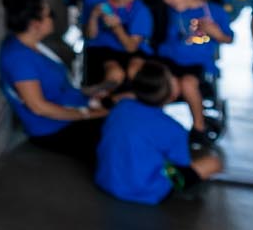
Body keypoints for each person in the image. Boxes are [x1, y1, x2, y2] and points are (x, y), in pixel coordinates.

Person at [95, 64, 226, 205]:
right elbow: (181, 166)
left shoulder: (121, 106)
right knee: (213, 163)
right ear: (172, 94)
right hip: (144, 192)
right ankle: (179, 192)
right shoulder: (174, 128)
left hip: (105, 180)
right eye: (172, 79)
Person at [0, 0, 107, 159]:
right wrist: (87, 114)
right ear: (36, 24)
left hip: (73, 108)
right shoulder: (18, 59)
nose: (53, 18)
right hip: (54, 128)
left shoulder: (32, 46)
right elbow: (38, 106)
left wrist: (91, 92)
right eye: (50, 15)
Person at [151, 0, 232, 118]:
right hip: (171, 60)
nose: (165, 0)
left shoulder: (215, 11)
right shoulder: (172, 12)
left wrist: (216, 32)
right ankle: (158, 123)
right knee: (167, 86)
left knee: (188, 84)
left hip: (198, 63)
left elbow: (228, 38)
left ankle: (199, 127)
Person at [78, 0, 152, 87]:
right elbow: (89, 36)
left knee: (135, 71)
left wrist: (117, 27)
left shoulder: (141, 10)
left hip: (132, 50)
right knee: (115, 74)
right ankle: (99, 97)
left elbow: (131, 47)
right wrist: (94, 16)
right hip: (100, 50)